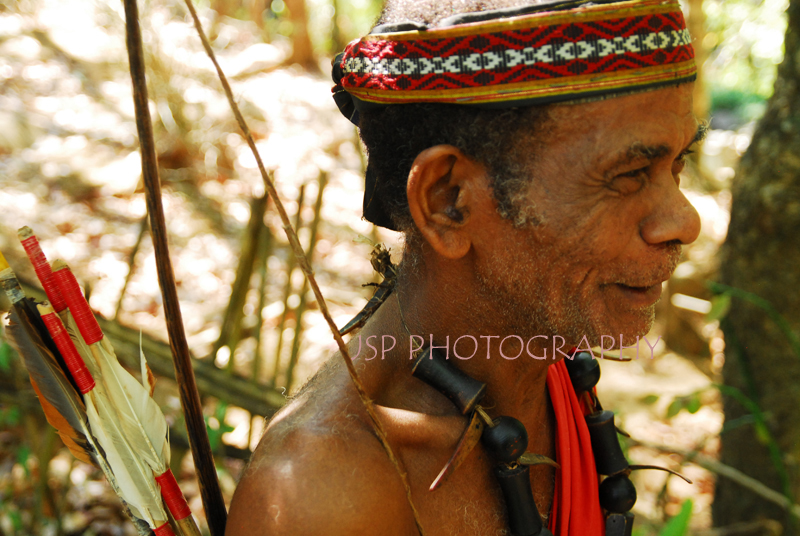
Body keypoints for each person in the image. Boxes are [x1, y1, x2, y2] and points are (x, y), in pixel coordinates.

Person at [226, 0, 704, 534]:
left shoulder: (549, 358)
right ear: (448, 202)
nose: (686, 222)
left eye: (677, 163)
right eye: (631, 173)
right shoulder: (329, 498)